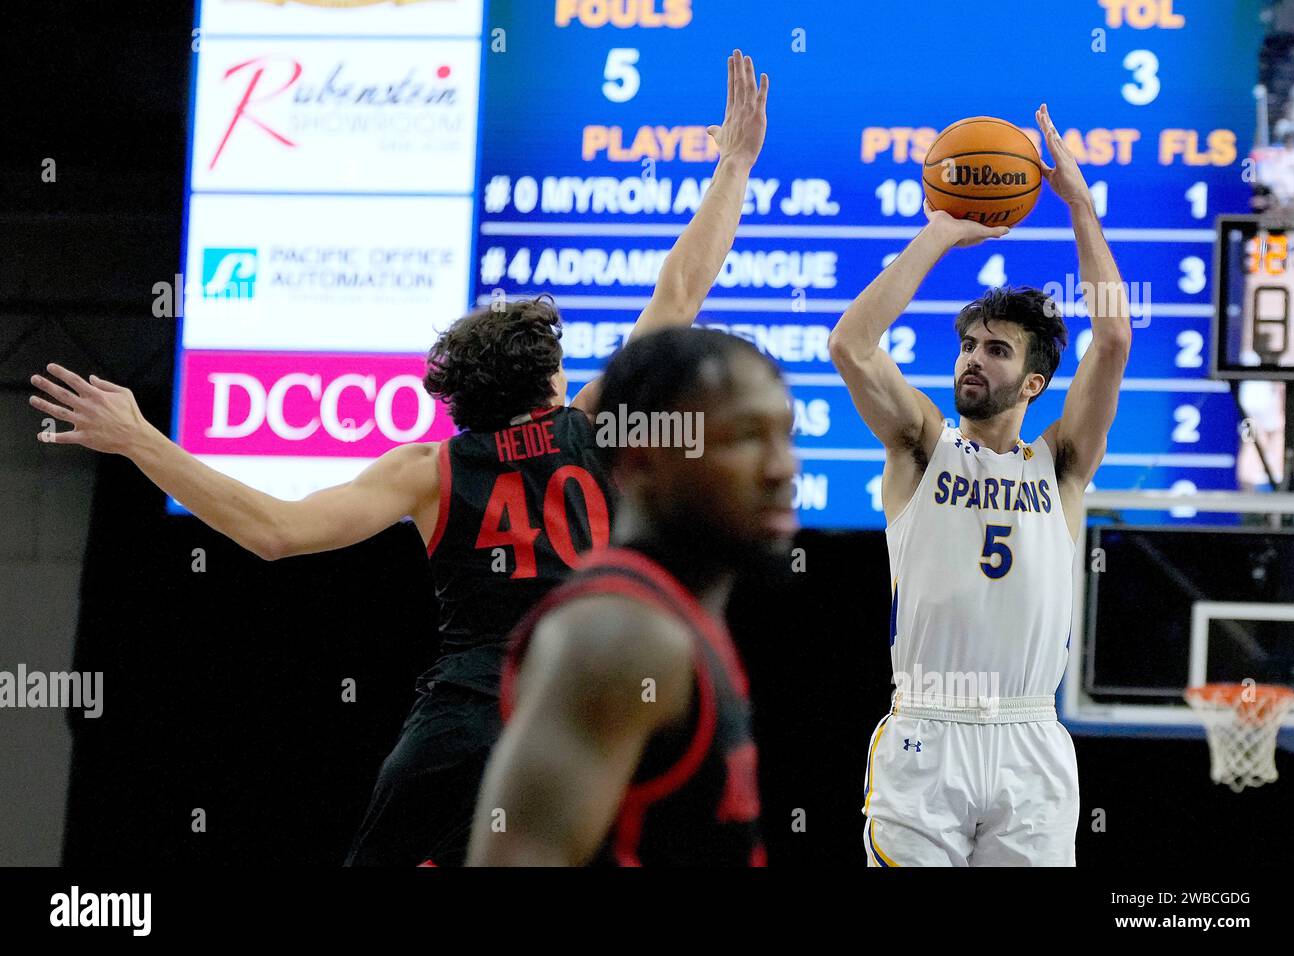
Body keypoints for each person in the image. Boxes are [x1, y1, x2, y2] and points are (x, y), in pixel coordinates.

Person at [29, 49, 770, 867]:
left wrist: (143, 439)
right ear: (551, 377)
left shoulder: (427, 469)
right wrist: (734, 163)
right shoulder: (596, 427)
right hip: (579, 706)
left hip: (464, 719)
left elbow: (273, 530)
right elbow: (679, 291)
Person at [828, 104, 1131, 866]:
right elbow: (852, 346)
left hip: (1031, 737)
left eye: (995, 349)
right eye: (967, 344)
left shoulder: (1060, 465)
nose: (972, 358)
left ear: (1033, 382)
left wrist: (1080, 206)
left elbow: (1115, 337)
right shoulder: (922, 447)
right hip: (929, 730)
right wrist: (937, 232)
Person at [467, 327, 796, 866]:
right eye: (744, 437)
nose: (782, 466)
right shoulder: (620, 635)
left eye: (785, 435)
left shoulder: (679, 612)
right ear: (641, 460)